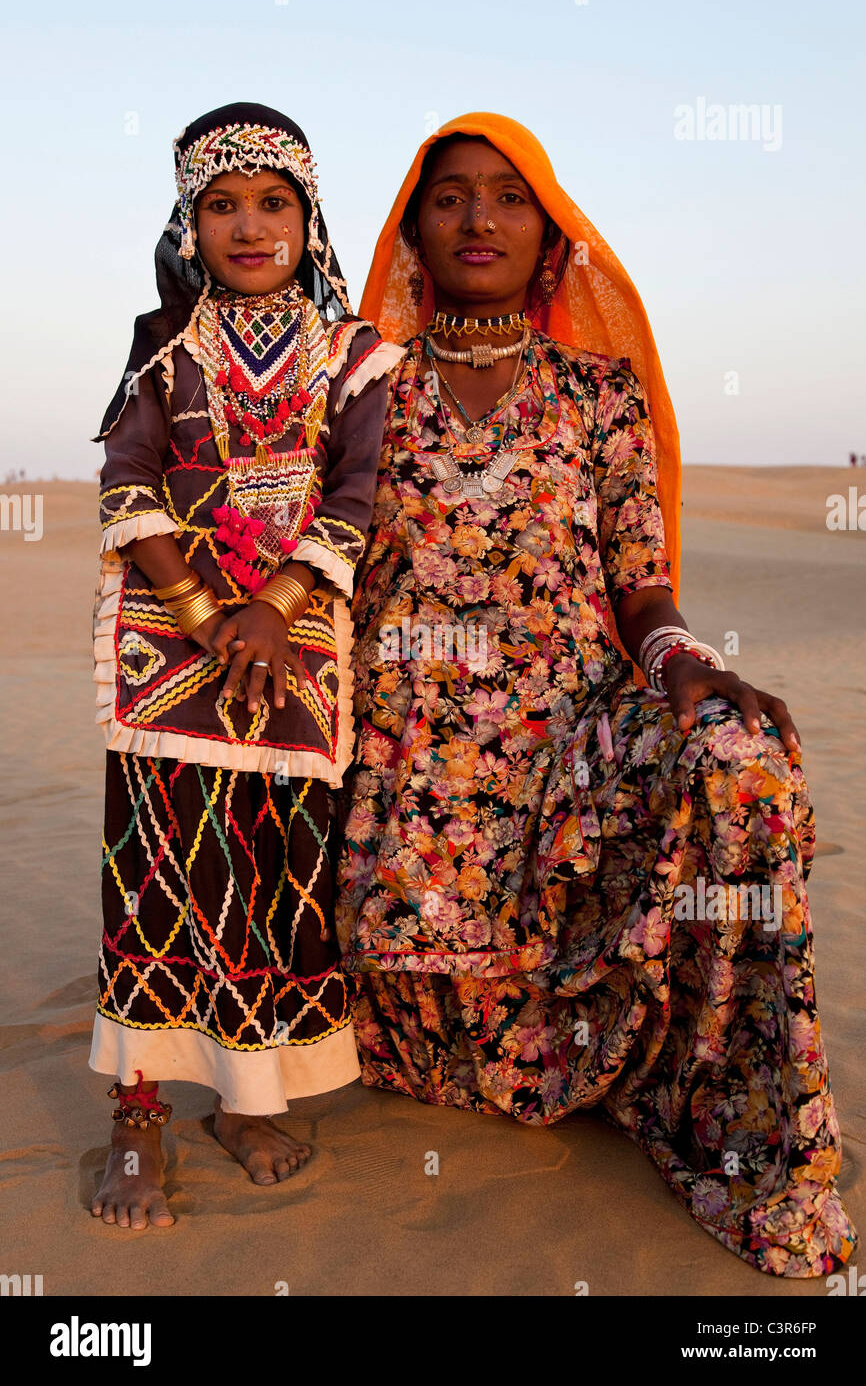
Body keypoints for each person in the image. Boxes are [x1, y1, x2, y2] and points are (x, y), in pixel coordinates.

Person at [334, 113, 857, 1277]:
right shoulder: (361, 390)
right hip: (408, 763)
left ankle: (734, 1100)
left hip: (571, 739)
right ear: (413, 228)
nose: (478, 217)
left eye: (509, 196)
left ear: (550, 232)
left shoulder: (600, 395)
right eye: (451, 195)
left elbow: (638, 584)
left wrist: (683, 661)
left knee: (740, 757)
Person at [89, 103, 400, 1229]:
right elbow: (127, 485)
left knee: (273, 878)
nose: (249, 225)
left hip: (298, 648)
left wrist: (270, 612)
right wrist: (203, 609)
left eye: (273, 202)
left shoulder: (355, 354)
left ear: (308, 217)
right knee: (159, 873)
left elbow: (358, 498)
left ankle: (245, 1097)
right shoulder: (163, 345)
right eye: (222, 206)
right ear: (188, 224)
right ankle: (135, 1118)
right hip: (168, 654)